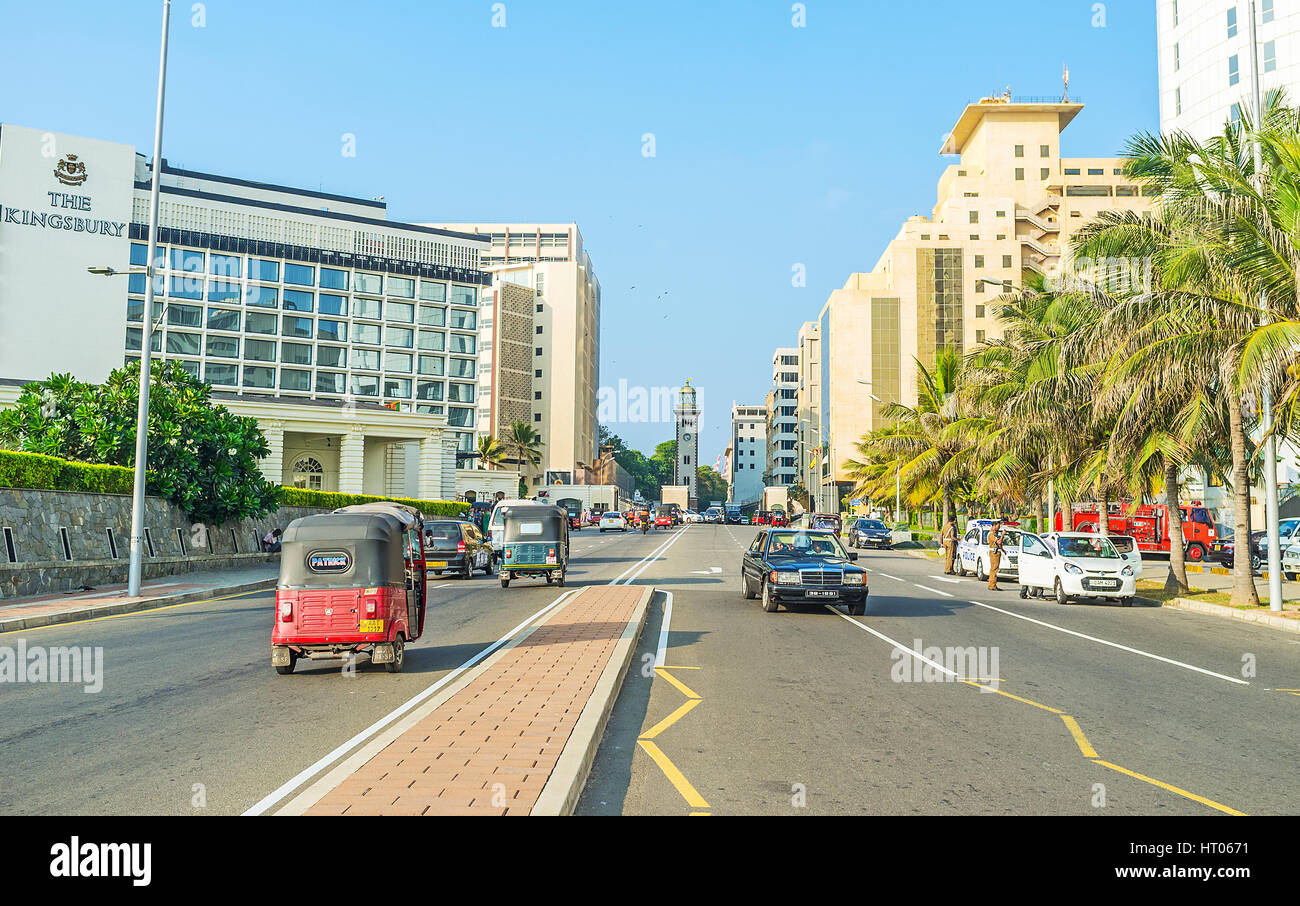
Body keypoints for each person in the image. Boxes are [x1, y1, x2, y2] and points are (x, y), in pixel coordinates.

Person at [987, 522, 1004, 590]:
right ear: (994, 525)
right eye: (998, 526)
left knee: (994, 569)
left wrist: (1002, 549)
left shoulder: (994, 533)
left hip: (996, 551)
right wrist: (1003, 535)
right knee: (994, 569)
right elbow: (999, 542)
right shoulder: (991, 534)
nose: (999, 527)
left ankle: (992, 584)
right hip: (994, 553)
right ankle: (992, 585)